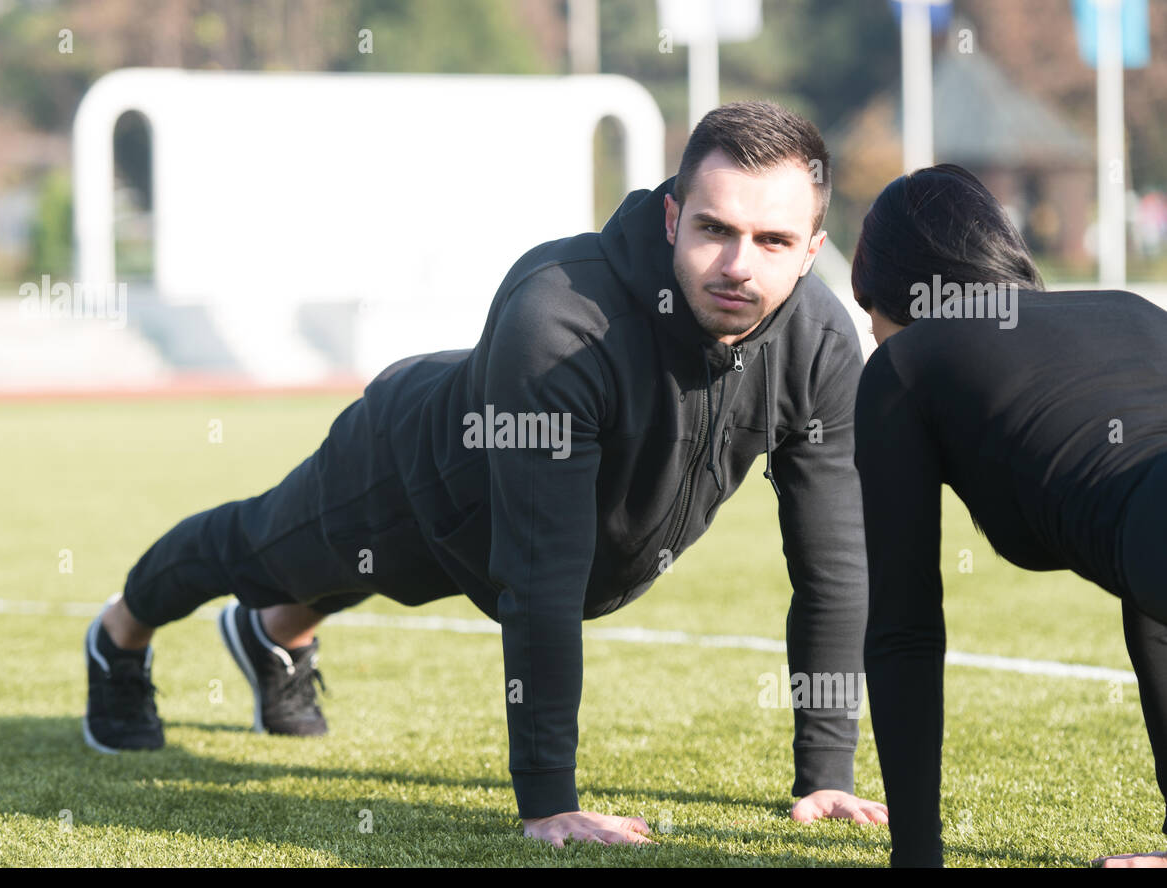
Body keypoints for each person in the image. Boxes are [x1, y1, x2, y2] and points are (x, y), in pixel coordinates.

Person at [84, 100, 889, 847]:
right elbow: (541, 577)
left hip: (551, 526)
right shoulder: (563, 319)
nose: (738, 265)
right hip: (412, 480)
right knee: (263, 549)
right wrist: (549, 798)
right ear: (673, 215)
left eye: (775, 241)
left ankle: (272, 638)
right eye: (715, 228)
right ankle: (119, 634)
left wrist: (826, 772)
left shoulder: (819, 344)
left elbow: (834, 565)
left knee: (327, 583)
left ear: (813, 249)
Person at [851, 163, 1167, 868]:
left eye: (870, 315)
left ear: (894, 292)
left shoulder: (905, 362)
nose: (874, 339)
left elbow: (903, 630)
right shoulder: (1133, 310)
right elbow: (1152, 601)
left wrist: (917, 858)